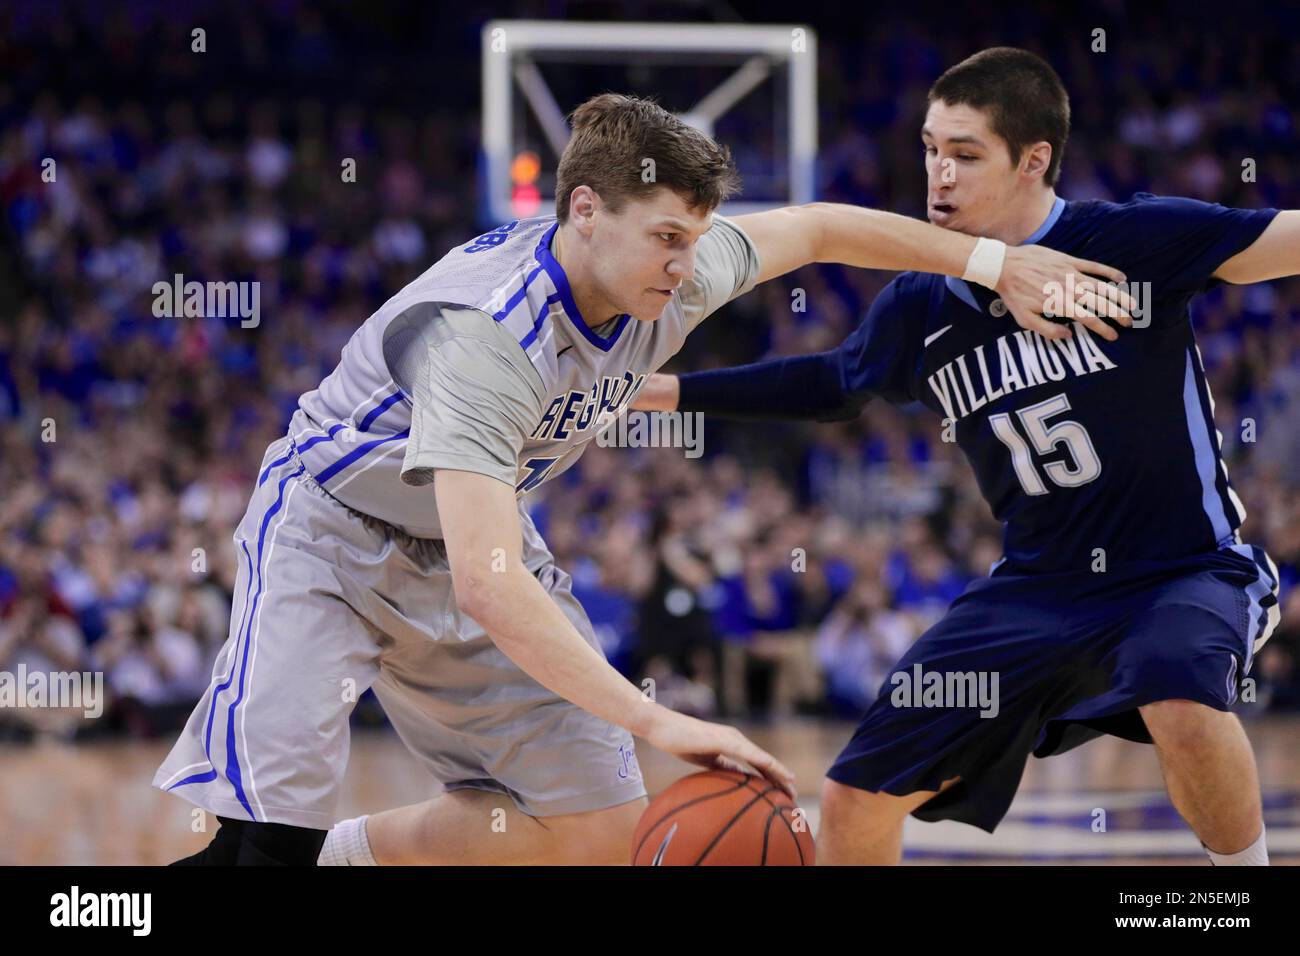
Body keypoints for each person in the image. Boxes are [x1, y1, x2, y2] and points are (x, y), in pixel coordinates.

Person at [154, 91, 1125, 865]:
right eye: (666, 236)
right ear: (583, 210)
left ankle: (347, 858)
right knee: (259, 842)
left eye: (695, 237)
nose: (686, 262)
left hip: (474, 530)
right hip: (332, 532)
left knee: (598, 833)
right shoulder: (483, 339)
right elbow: (489, 586)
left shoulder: (681, 270)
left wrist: (998, 262)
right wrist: (658, 715)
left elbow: (823, 226)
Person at [636, 48, 1289, 865]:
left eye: (966, 154)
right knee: (853, 794)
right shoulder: (921, 301)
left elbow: (1283, 241)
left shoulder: (1132, 240)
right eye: (930, 149)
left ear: (1034, 160)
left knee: (1176, 687)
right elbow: (832, 383)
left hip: (1185, 570)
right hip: (1037, 590)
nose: (938, 173)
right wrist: (672, 394)